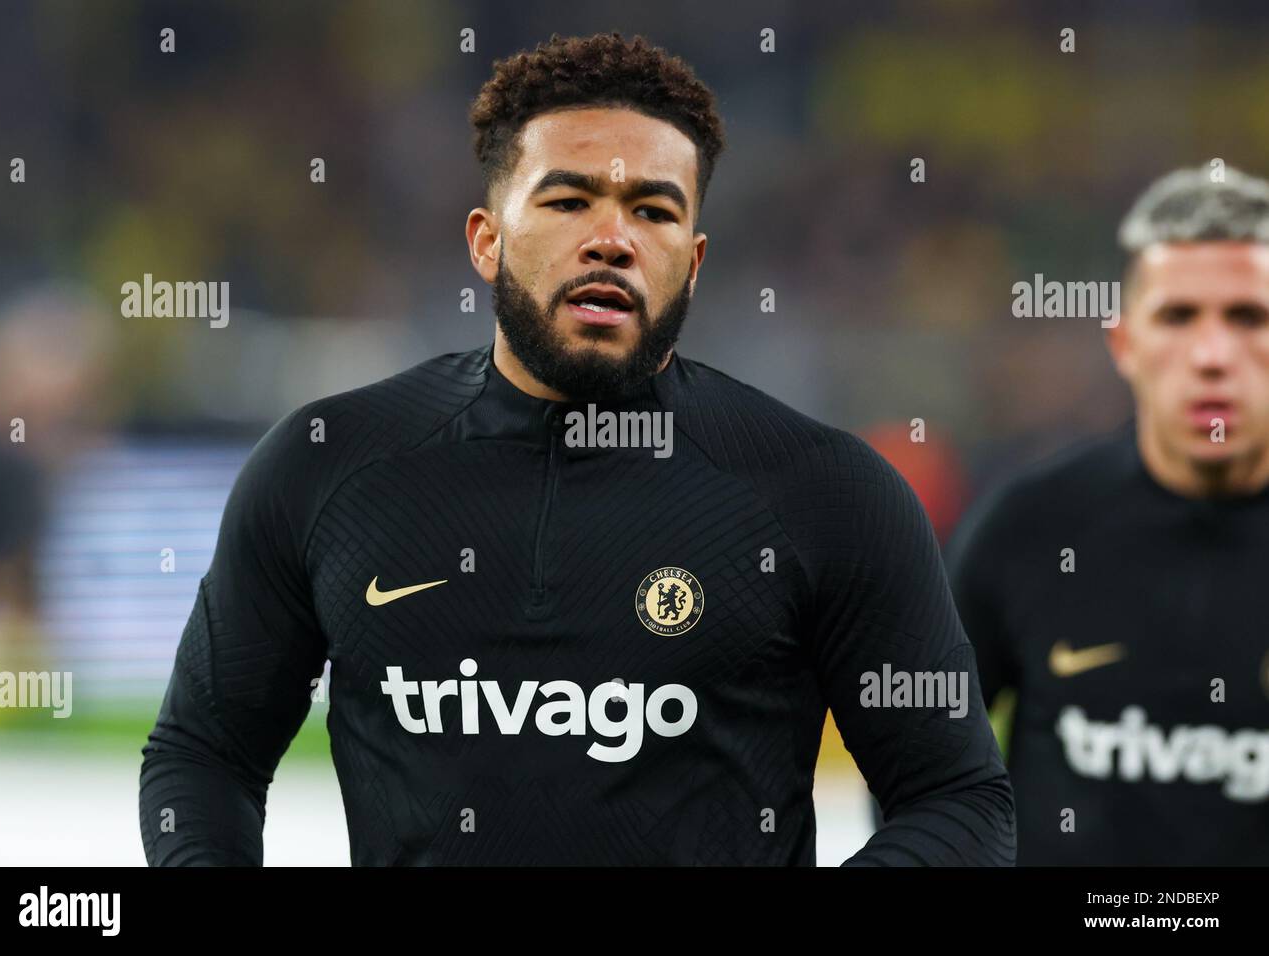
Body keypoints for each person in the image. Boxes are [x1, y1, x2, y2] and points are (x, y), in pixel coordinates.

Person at [140, 31, 1014, 866]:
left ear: (695, 259)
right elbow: (203, 753)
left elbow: (961, 802)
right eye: (568, 200)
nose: (613, 238)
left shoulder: (825, 491)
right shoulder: (327, 465)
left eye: (653, 210)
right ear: (486, 239)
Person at [949, 166, 1269, 864]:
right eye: (1178, 317)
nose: (1213, 356)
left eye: (1248, 317)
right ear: (1125, 344)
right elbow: (920, 770)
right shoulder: (1027, 528)